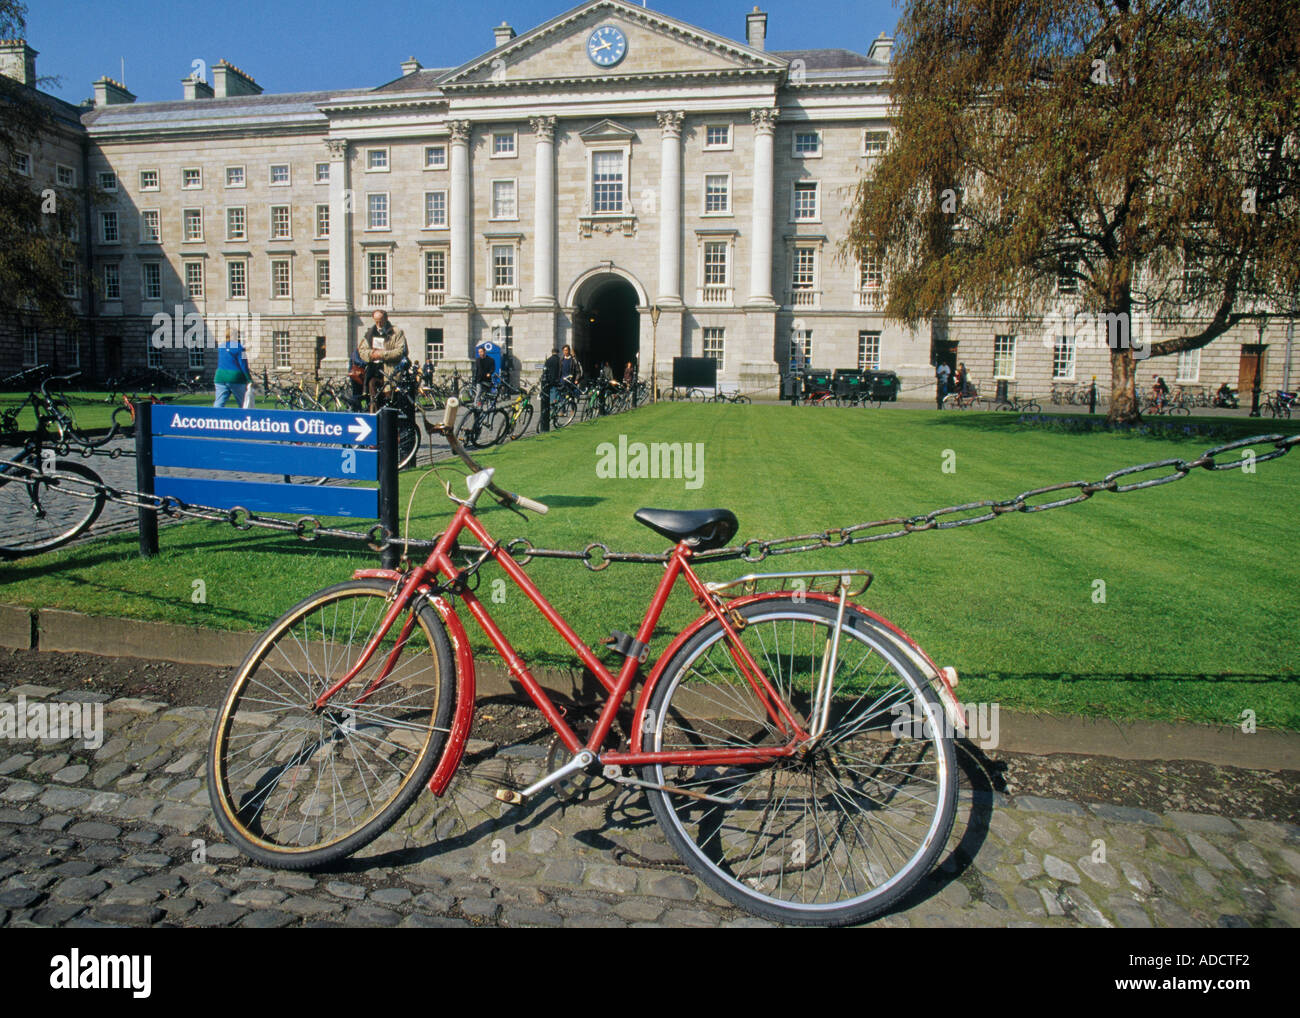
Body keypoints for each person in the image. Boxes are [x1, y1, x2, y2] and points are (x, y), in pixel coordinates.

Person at [358, 309, 408, 412]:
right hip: (373, 371)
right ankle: (374, 415)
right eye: (376, 321)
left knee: (389, 400)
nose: (379, 324)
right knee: (373, 394)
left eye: (381, 321)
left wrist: (382, 354)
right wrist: (372, 354)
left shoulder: (396, 332)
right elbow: (362, 351)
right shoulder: (370, 333)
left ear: (386, 319)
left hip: (389, 372)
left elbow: (400, 352)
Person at [213, 328, 251, 408]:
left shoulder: (221, 347)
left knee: (219, 403)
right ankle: (244, 419)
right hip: (235, 377)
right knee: (243, 403)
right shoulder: (240, 347)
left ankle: (214, 418)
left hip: (220, 377)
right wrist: (249, 379)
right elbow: (244, 365)